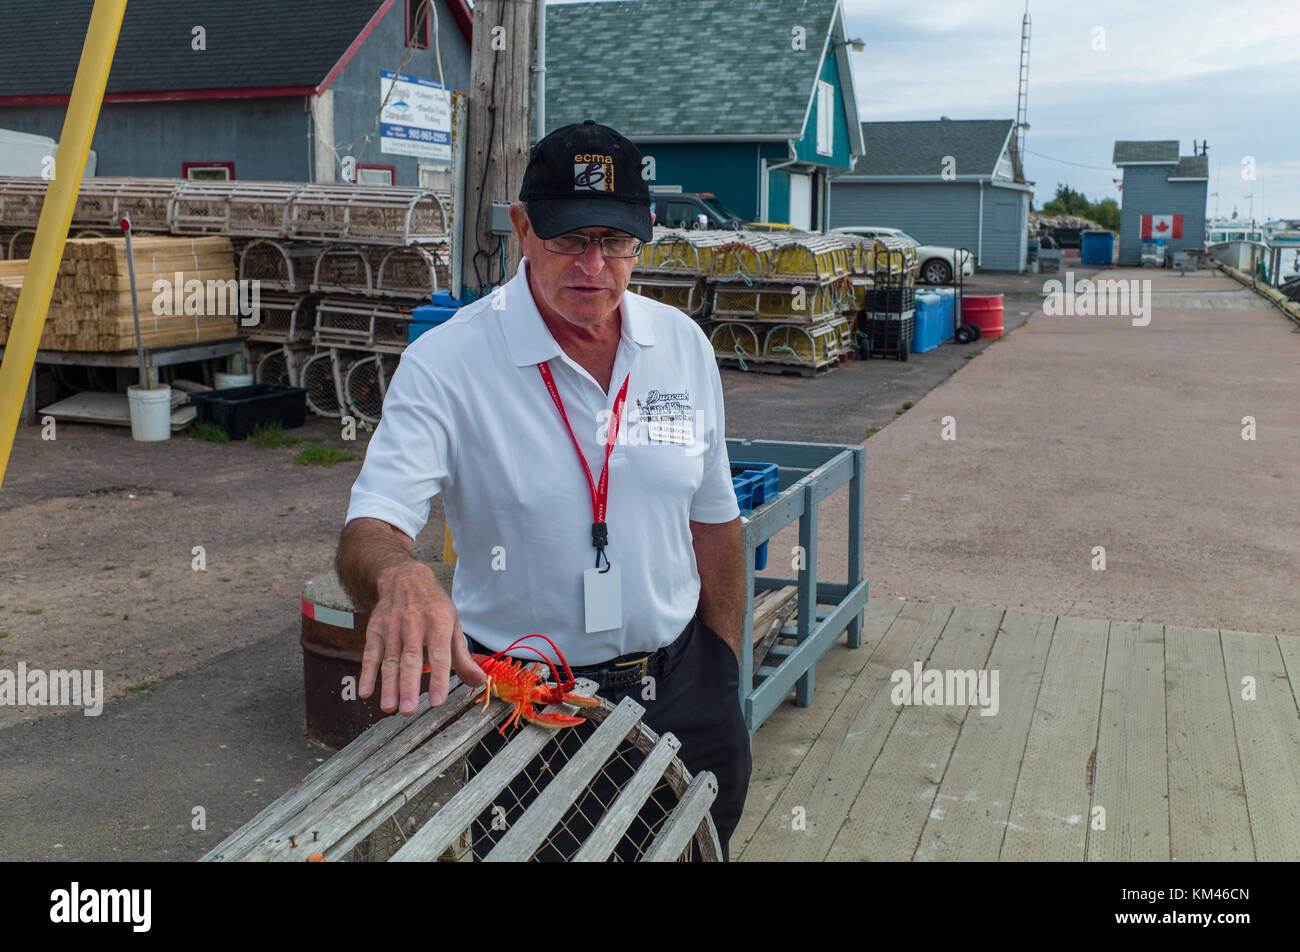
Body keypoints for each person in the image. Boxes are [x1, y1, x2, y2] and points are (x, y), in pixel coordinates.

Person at [334, 119, 751, 859]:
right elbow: (373, 524)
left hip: (684, 685)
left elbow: (714, 521)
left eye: (615, 241)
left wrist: (723, 666)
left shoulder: (683, 345)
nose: (594, 266)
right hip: (533, 706)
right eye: (568, 239)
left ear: (643, 234)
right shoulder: (447, 362)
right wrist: (400, 575)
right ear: (522, 229)